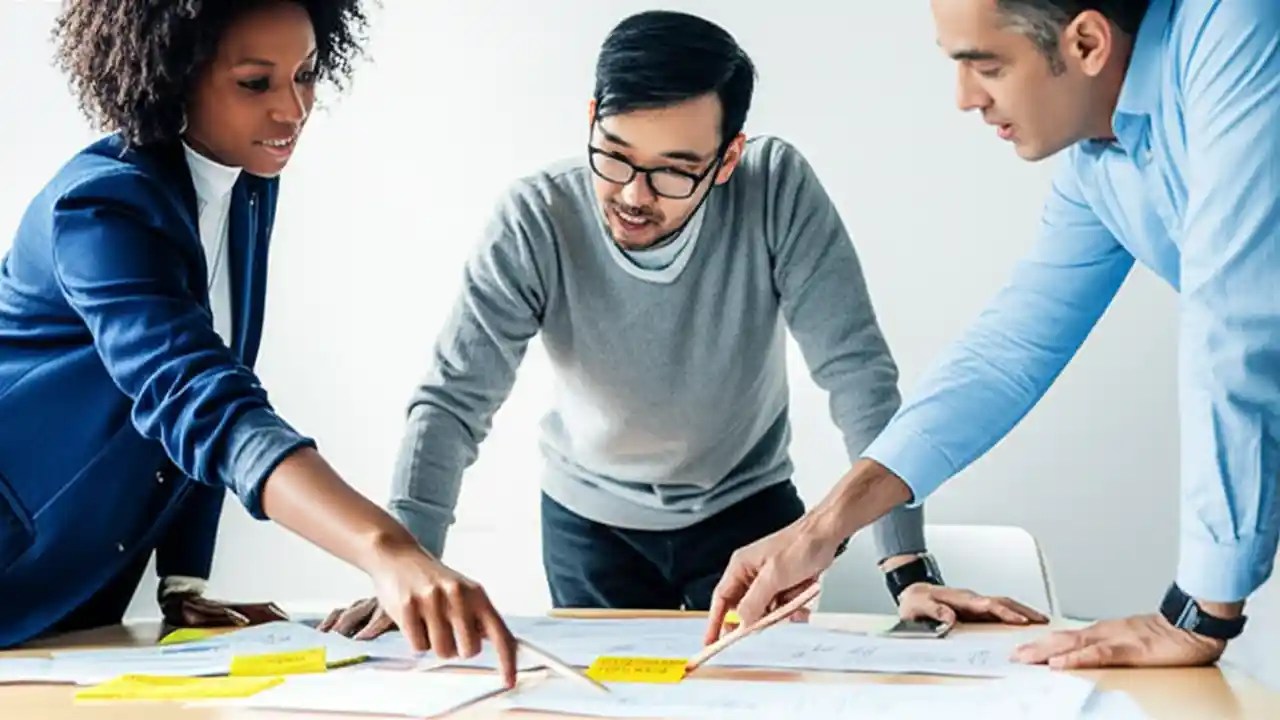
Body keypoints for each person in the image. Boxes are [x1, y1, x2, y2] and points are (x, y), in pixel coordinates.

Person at [321, 10, 1045, 639]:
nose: (634, 196)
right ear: (591, 119)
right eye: (614, 156)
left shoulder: (776, 191)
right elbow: (451, 403)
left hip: (748, 514)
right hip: (589, 527)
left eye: (674, 171)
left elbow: (858, 374)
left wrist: (905, 566)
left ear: (729, 157)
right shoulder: (537, 219)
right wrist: (405, 560)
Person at [708, 0, 1280, 671]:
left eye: (986, 66)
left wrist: (1201, 610)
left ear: (1088, 42)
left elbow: (1232, 322)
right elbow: (1008, 351)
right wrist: (823, 528)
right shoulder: (1098, 160)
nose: (964, 98)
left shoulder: (1237, 29)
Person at [0, 0, 519, 684]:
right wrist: (388, 549)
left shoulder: (242, 185)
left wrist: (182, 583)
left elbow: (215, 366)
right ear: (174, 74)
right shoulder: (102, 209)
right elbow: (192, 394)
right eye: (256, 83)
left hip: (84, 592)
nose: (294, 110)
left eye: (305, 74)